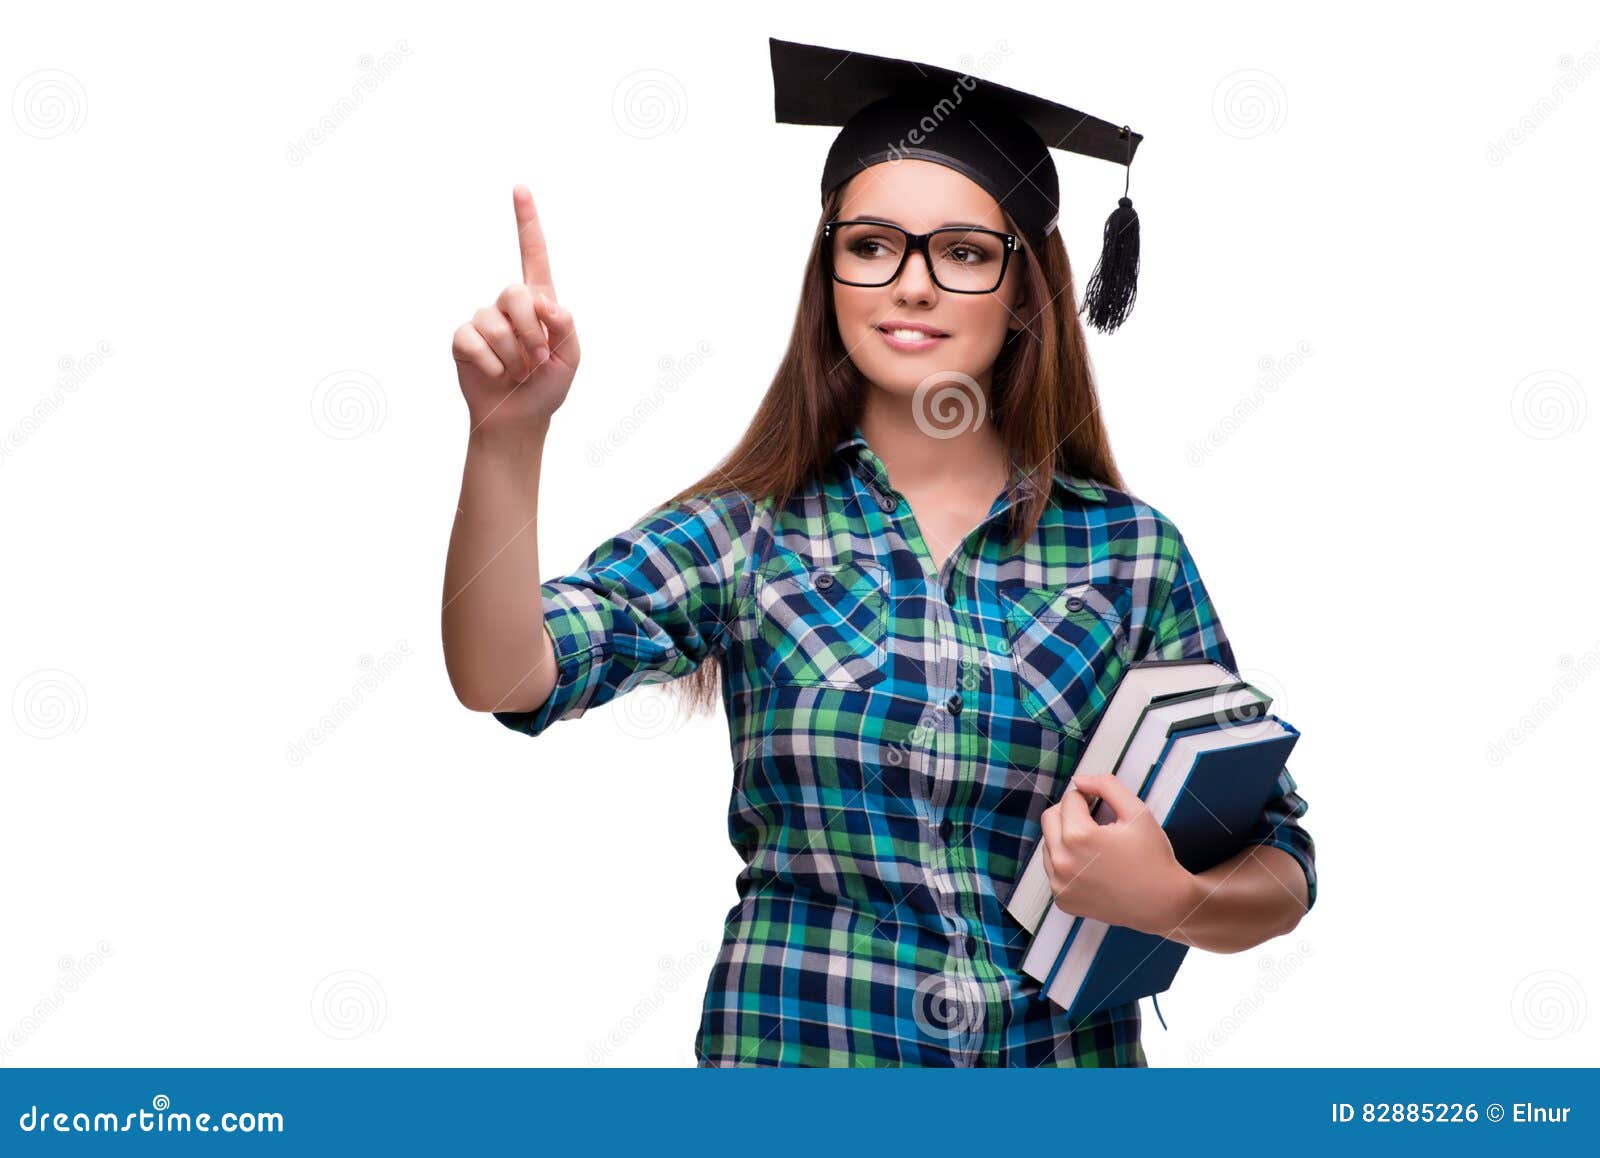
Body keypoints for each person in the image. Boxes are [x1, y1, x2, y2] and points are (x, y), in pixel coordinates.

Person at [441, 39, 1316, 1067]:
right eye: (870, 245)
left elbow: (1280, 863)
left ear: (1024, 286)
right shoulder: (746, 532)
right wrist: (507, 438)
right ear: (830, 272)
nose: (911, 284)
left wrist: (1172, 897)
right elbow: (509, 673)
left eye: (962, 251)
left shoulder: (1128, 557)